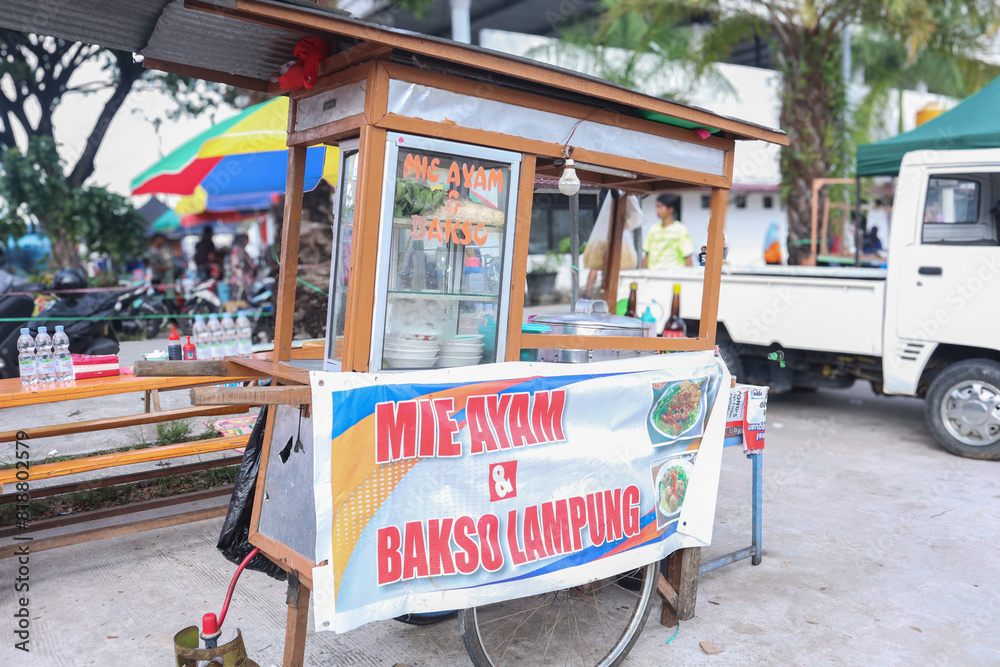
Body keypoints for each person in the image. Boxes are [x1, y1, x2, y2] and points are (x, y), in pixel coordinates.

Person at [642, 194, 693, 268]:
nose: (657, 210)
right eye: (656, 207)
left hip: (673, 277)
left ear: (670, 209)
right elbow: (647, 254)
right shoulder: (653, 228)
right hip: (653, 276)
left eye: (660, 207)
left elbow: (688, 257)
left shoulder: (680, 229)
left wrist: (688, 277)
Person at [227, 233, 256, 302]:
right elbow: (242, 264)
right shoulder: (239, 250)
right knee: (242, 301)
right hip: (241, 280)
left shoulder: (233, 249)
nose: (247, 242)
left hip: (236, 279)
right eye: (246, 240)